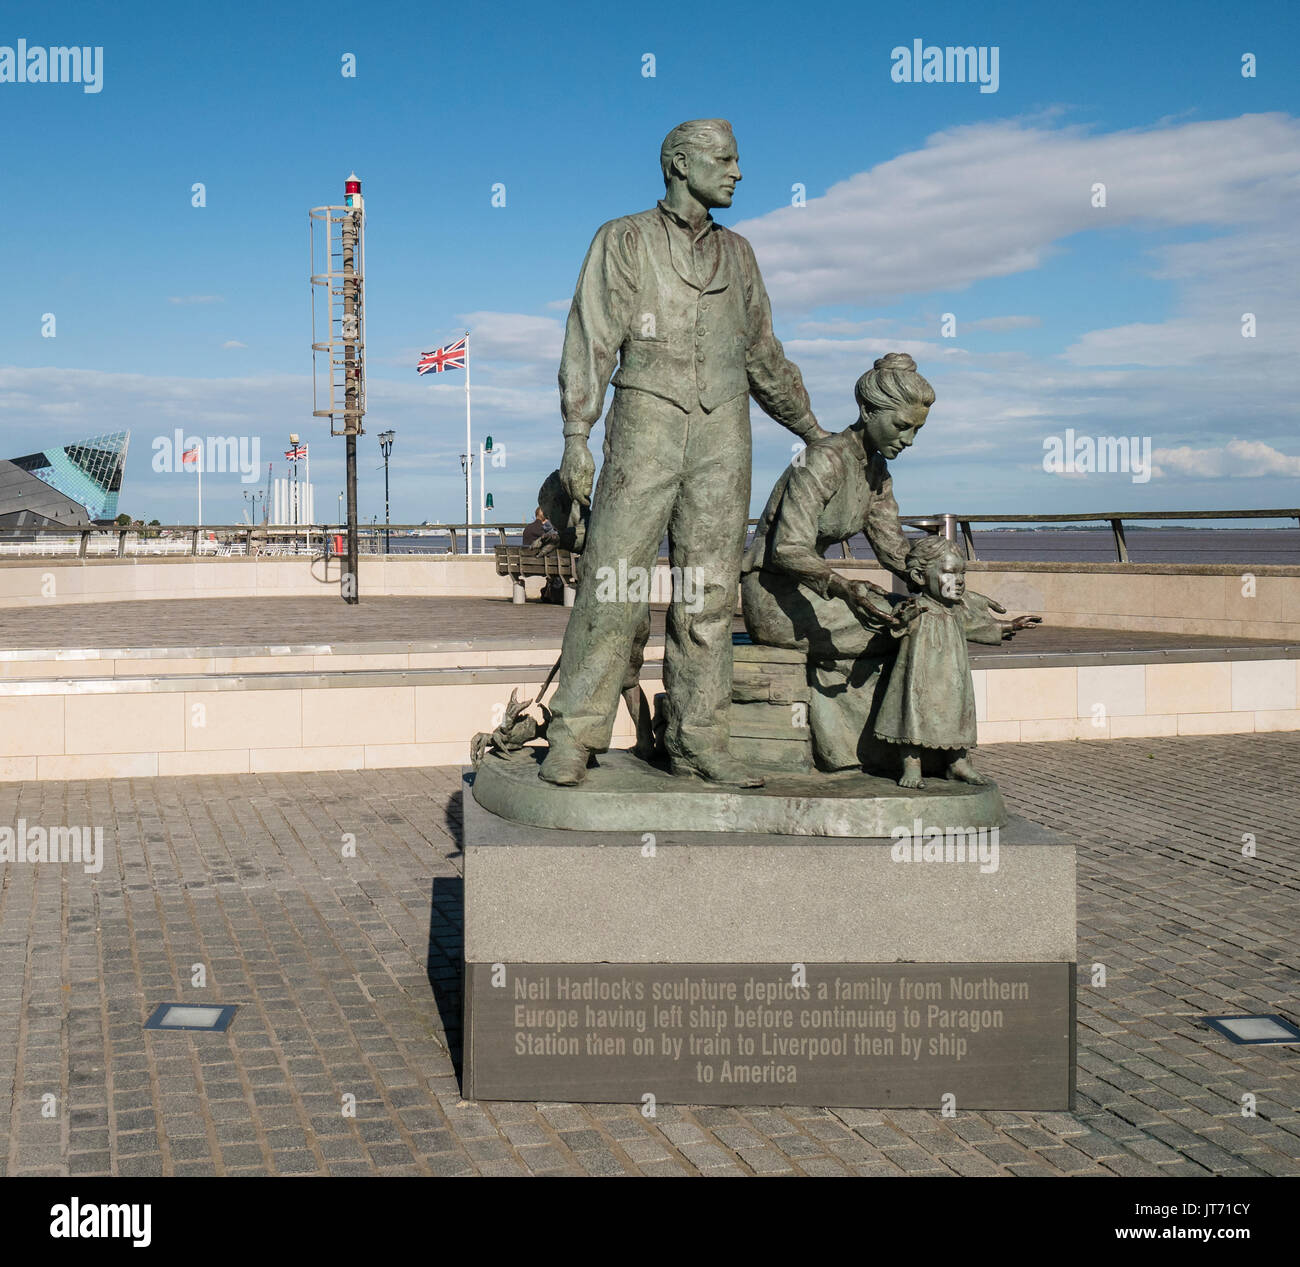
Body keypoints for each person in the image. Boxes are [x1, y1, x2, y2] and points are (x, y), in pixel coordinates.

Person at [539, 118, 828, 787]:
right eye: (724, 159)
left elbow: (762, 355)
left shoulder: (741, 255)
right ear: (679, 162)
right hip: (646, 423)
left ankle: (698, 736)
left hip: (724, 434)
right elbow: (589, 339)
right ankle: (576, 731)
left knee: (708, 592)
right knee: (613, 583)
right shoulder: (625, 239)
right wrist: (577, 434)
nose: (738, 171)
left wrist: (811, 429)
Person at [741, 353, 1035, 772]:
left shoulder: (877, 472)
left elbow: (897, 552)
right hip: (777, 600)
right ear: (867, 411)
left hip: (818, 593)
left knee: (921, 616)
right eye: (902, 426)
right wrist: (846, 587)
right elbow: (788, 549)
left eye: (917, 429)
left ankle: (928, 747)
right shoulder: (823, 460)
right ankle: (901, 748)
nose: (909, 439)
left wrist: (956, 594)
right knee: (910, 624)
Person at [874, 535, 1035, 787]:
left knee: (959, 714)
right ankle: (911, 766)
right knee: (913, 714)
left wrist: (1010, 625)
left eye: (963, 574)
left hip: (953, 677)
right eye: (950, 573)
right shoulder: (916, 607)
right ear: (919, 577)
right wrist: (904, 618)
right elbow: (896, 626)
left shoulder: (957, 610)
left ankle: (958, 763)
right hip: (919, 676)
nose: (959, 581)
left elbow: (979, 627)